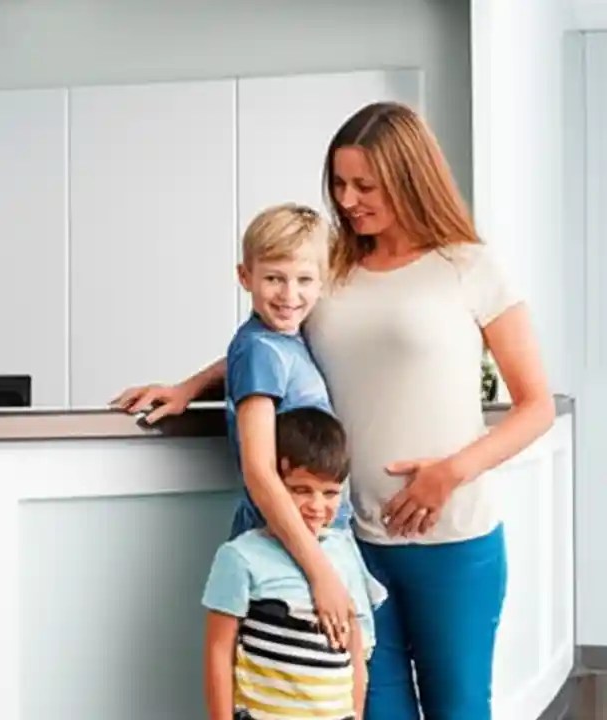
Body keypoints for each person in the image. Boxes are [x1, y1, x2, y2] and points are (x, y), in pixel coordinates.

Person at [115, 101, 555, 719]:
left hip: (453, 539)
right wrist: (191, 386)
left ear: (408, 176)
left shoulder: (469, 267)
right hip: (350, 542)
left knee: (458, 710)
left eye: (364, 186)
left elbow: (536, 406)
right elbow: (275, 342)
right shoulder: (333, 269)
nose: (347, 201)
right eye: (340, 184)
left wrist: (449, 473)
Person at [222, 202, 357, 650]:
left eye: (304, 280)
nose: (289, 294)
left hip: (311, 540)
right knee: (297, 678)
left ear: (322, 282)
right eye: (274, 279)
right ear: (245, 277)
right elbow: (260, 472)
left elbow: (254, 360)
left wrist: (191, 385)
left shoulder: (285, 338)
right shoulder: (261, 349)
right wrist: (321, 573)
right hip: (288, 553)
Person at [203, 408, 385, 720]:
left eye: (330, 493)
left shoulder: (343, 552)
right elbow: (219, 650)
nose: (317, 506)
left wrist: (355, 713)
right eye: (301, 490)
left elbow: (355, 642)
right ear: (273, 485)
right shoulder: (241, 557)